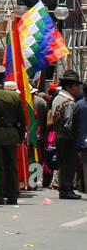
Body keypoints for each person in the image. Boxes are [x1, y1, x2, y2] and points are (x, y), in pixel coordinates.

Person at [0, 67, 22, 205]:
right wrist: (20, 135)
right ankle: (13, 195)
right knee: (12, 166)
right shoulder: (14, 95)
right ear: (3, 79)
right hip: (12, 133)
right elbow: (22, 118)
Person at [51, 71, 82, 200]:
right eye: (76, 87)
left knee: (62, 163)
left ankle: (64, 188)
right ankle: (67, 189)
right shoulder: (68, 102)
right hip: (67, 137)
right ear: (69, 87)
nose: (78, 89)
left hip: (59, 135)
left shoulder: (58, 98)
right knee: (69, 164)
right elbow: (69, 123)